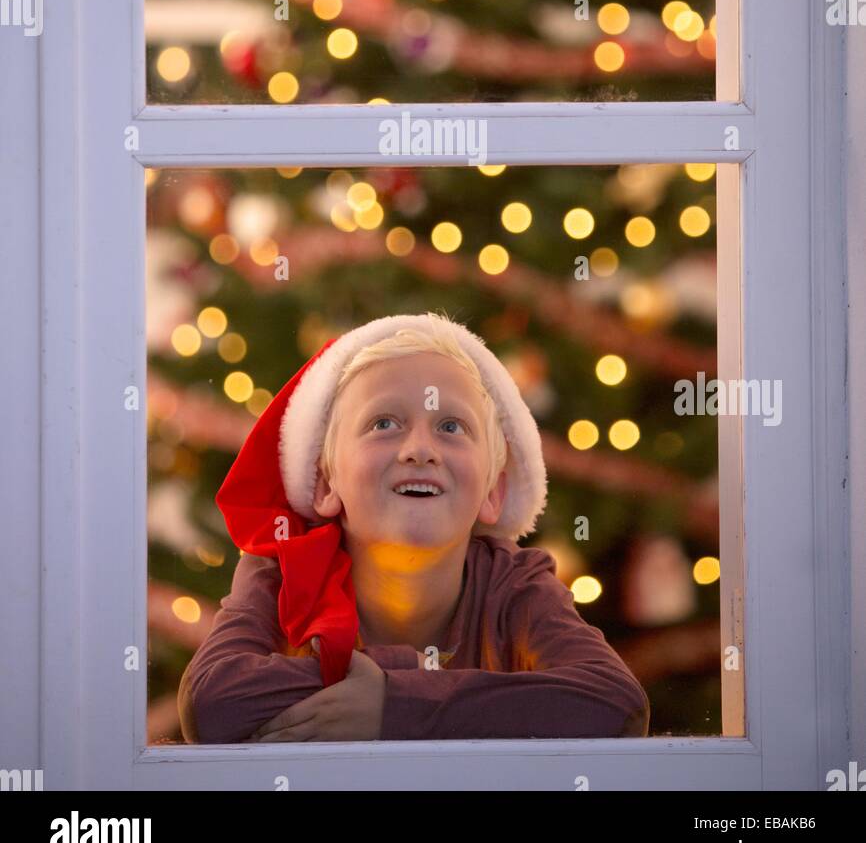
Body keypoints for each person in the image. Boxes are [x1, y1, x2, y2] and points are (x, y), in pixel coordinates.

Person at [177, 311, 650, 743]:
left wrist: (394, 702)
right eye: (384, 423)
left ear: (493, 492)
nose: (420, 450)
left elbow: (614, 706)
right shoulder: (284, 574)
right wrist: (416, 680)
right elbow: (214, 705)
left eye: (451, 427)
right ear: (324, 483)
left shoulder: (514, 584)